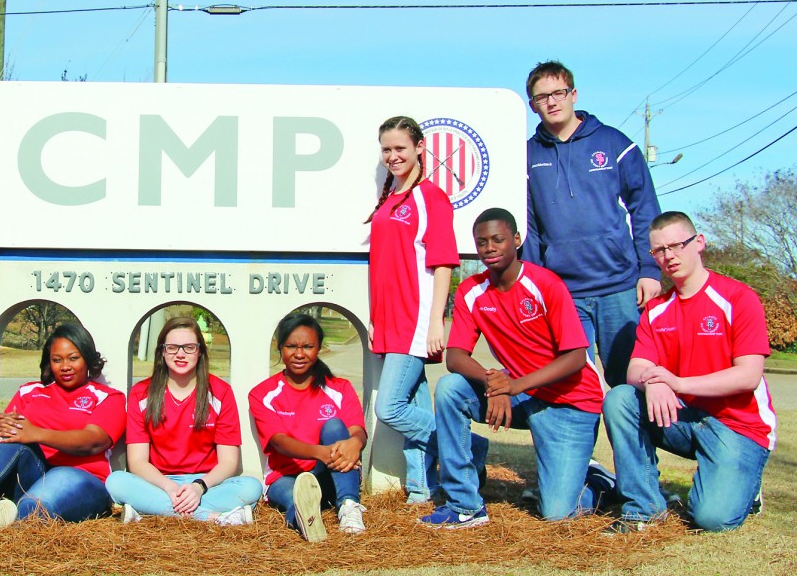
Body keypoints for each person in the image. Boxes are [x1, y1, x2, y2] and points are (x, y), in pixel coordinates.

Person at [422, 208, 611, 529]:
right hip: (521, 394)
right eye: (482, 242)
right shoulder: (472, 291)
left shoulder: (545, 284)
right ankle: (464, 504)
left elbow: (576, 357)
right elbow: (455, 357)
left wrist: (512, 386)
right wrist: (493, 382)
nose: (490, 248)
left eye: (498, 239)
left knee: (556, 513)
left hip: (571, 404)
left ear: (517, 240)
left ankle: (597, 482)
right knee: (450, 389)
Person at [603, 211, 774, 533]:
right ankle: (644, 507)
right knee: (621, 399)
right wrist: (653, 381)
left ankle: (746, 486)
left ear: (699, 243)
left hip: (736, 426)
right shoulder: (657, 309)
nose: (669, 256)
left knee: (711, 519)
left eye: (676, 245)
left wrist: (676, 382)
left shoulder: (738, 298)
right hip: (684, 418)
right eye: (659, 251)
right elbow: (635, 369)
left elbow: (748, 376)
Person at [522, 60, 661, 389]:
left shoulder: (613, 143)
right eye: (542, 97)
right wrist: (536, 285)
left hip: (620, 286)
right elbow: (528, 229)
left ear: (574, 94)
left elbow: (644, 207)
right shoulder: (526, 155)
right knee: (574, 387)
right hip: (564, 294)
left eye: (558, 93)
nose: (552, 102)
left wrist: (650, 270)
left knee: (630, 384)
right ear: (532, 105)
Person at [0, 323, 125, 541]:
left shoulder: (108, 397)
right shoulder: (29, 391)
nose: (65, 366)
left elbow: (94, 441)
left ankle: (12, 520)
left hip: (80, 479)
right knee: (7, 434)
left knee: (36, 506)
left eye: (73, 358)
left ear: (87, 359)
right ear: (48, 363)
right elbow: (6, 432)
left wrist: (36, 433)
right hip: (32, 475)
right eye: (57, 360)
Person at [366, 115, 462, 503]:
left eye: (400, 148)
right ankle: (423, 488)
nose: (392, 156)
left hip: (414, 320)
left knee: (389, 407)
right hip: (389, 321)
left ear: (420, 148)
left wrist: (436, 320)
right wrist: (376, 318)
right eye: (386, 150)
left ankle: (466, 445)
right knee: (415, 401)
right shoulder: (390, 199)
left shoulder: (430, 197)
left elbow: (442, 263)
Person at [105, 316, 262, 525]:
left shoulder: (220, 392)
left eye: (189, 347)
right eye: (172, 347)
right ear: (162, 351)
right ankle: (213, 518)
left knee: (251, 487)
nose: (180, 354)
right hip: (159, 483)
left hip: (207, 484)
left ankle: (151, 511)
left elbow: (229, 462)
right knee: (116, 482)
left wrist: (198, 487)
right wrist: (169, 487)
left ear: (200, 351)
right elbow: (137, 462)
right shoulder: (141, 393)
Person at [248, 313, 368, 542]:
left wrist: (355, 443)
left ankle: (350, 506)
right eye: (291, 346)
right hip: (284, 477)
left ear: (319, 348)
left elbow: (356, 429)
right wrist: (320, 453)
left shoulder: (339, 388)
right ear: (280, 348)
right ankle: (306, 522)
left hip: (330, 475)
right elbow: (278, 441)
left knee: (334, 426)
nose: (299, 354)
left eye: (308, 347)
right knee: (295, 498)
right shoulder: (263, 394)